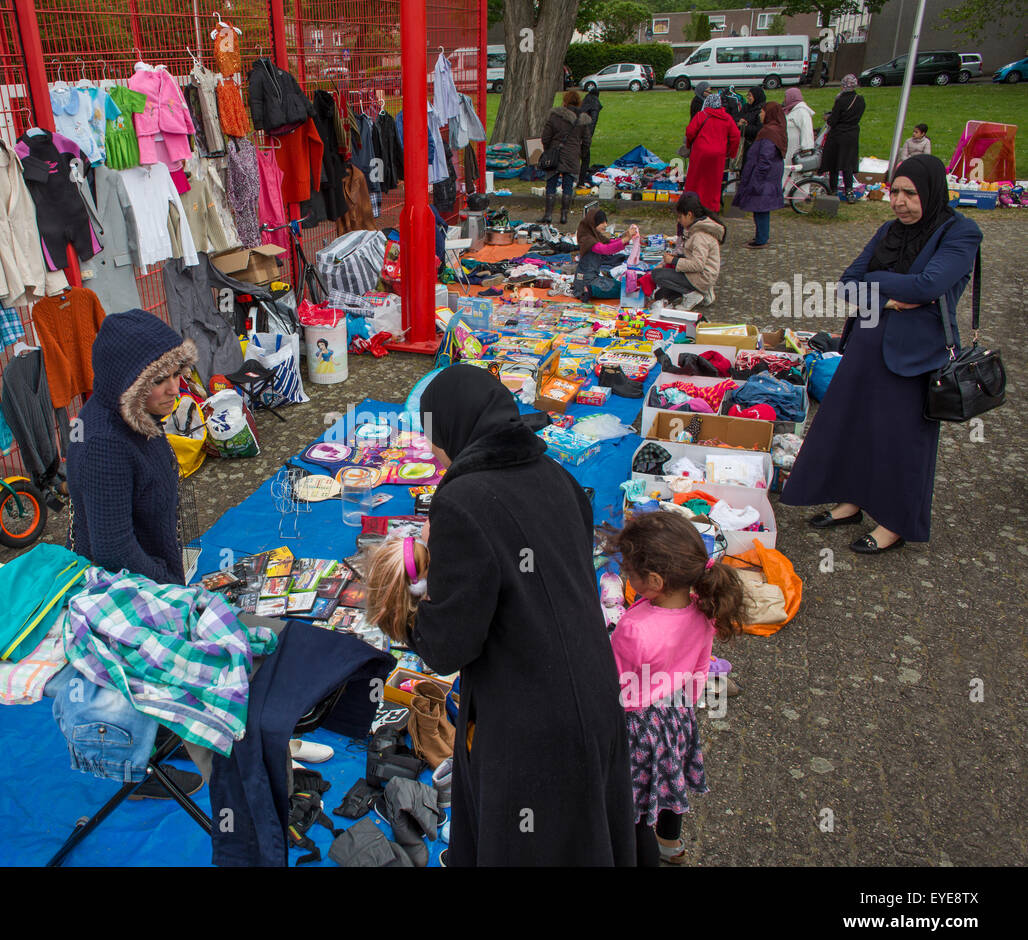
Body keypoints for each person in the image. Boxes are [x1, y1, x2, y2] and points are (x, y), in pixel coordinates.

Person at [404, 363, 636, 866]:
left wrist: (409, 608)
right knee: (586, 836)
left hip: (533, 721)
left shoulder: (462, 502)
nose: (430, 450)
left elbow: (449, 647)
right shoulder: (558, 476)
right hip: (593, 692)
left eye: (429, 435)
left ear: (451, 428)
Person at [782, 154, 983, 554]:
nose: (899, 201)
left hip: (917, 355)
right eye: (894, 191)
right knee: (854, 425)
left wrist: (876, 285)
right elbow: (846, 286)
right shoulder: (890, 229)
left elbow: (928, 286)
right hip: (866, 343)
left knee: (902, 439)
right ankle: (851, 502)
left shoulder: (960, 233)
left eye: (909, 193)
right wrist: (891, 298)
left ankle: (895, 521)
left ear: (931, 191)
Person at [65, 308, 201, 798]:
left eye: (176, 374)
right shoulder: (103, 441)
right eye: (158, 379)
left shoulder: (134, 415)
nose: (173, 387)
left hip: (151, 572)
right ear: (128, 381)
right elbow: (112, 547)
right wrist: (166, 583)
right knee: (139, 677)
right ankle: (137, 769)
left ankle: (169, 737)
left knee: (164, 667)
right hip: (128, 586)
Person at [598, 511, 746, 865]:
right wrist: (684, 710)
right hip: (677, 714)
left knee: (635, 795)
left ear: (653, 580)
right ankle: (671, 846)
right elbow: (698, 668)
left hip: (636, 725)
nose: (626, 578)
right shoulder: (702, 611)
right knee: (669, 780)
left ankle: (633, 849)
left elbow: (615, 686)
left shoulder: (634, 629)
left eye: (630, 573)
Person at [651, 191, 725, 309]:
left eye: (680, 216)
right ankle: (703, 292)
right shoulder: (695, 229)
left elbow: (697, 264)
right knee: (661, 294)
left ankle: (693, 294)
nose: (679, 220)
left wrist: (673, 261)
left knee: (657, 275)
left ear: (689, 215)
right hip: (699, 275)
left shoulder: (700, 236)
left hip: (701, 276)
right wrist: (674, 259)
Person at [734, 101, 787, 248]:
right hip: (768, 176)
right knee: (761, 207)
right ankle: (761, 236)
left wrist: (756, 179)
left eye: (763, 111)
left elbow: (765, 158)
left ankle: (761, 239)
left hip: (763, 177)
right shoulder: (777, 129)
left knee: (760, 207)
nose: (760, 114)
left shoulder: (769, 132)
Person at [538, 89, 591, 224]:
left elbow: (545, 137)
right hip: (572, 156)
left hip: (555, 155)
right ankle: (564, 216)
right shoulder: (583, 120)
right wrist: (581, 154)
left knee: (551, 184)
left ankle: (548, 215)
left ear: (565, 102)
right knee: (567, 186)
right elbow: (587, 141)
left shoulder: (555, 117)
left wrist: (548, 150)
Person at [683, 92, 740, 215]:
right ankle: (712, 207)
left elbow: (690, 132)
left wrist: (689, 145)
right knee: (713, 182)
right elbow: (736, 135)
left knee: (695, 180)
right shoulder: (727, 118)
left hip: (700, 152)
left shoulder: (701, 115)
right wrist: (731, 152)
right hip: (718, 154)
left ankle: (692, 206)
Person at [822, 74, 865, 203]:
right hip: (852, 134)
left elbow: (833, 120)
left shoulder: (840, 100)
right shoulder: (860, 100)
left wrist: (827, 118)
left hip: (838, 134)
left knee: (834, 163)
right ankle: (849, 191)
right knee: (848, 164)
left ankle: (833, 190)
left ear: (843, 86)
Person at [575, 209, 638, 298]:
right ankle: (587, 290)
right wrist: (625, 239)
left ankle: (590, 290)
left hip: (594, 276)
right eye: (602, 222)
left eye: (606, 222)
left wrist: (625, 239)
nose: (605, 225)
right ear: (593, 223)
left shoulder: (595, 235)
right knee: (621, 290)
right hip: (585, 280)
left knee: (622, 286)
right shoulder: (587, 239)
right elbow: (605, 249)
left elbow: (609, 243)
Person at [782, 87, 816, 187]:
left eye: (786, 97)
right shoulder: (791, 110)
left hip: (796, 149)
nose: (784, 99)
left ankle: (795, 196)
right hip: (788, 149)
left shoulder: (802, 112)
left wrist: (806, 149)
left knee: (794, 173)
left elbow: (807, 131)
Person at [577, 84, 602, 186]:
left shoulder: (584, 102)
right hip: (584, 135)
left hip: (576, 134)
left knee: (576, 158)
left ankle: (575, 179)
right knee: (585, 159)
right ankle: (580, 181)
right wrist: (588, 138)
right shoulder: (595, 104)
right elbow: (593, 123)